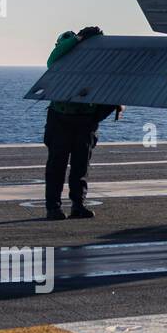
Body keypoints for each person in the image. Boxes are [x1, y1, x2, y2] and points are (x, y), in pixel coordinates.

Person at [42, 27, 121, 221]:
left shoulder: (97, 64)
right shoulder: (66, 53)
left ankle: (78, 205)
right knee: (57, 167)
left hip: (84, 120)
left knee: (80, 167)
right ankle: (54, 208)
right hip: (62, 119)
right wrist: (77, 39)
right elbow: (52, 60)